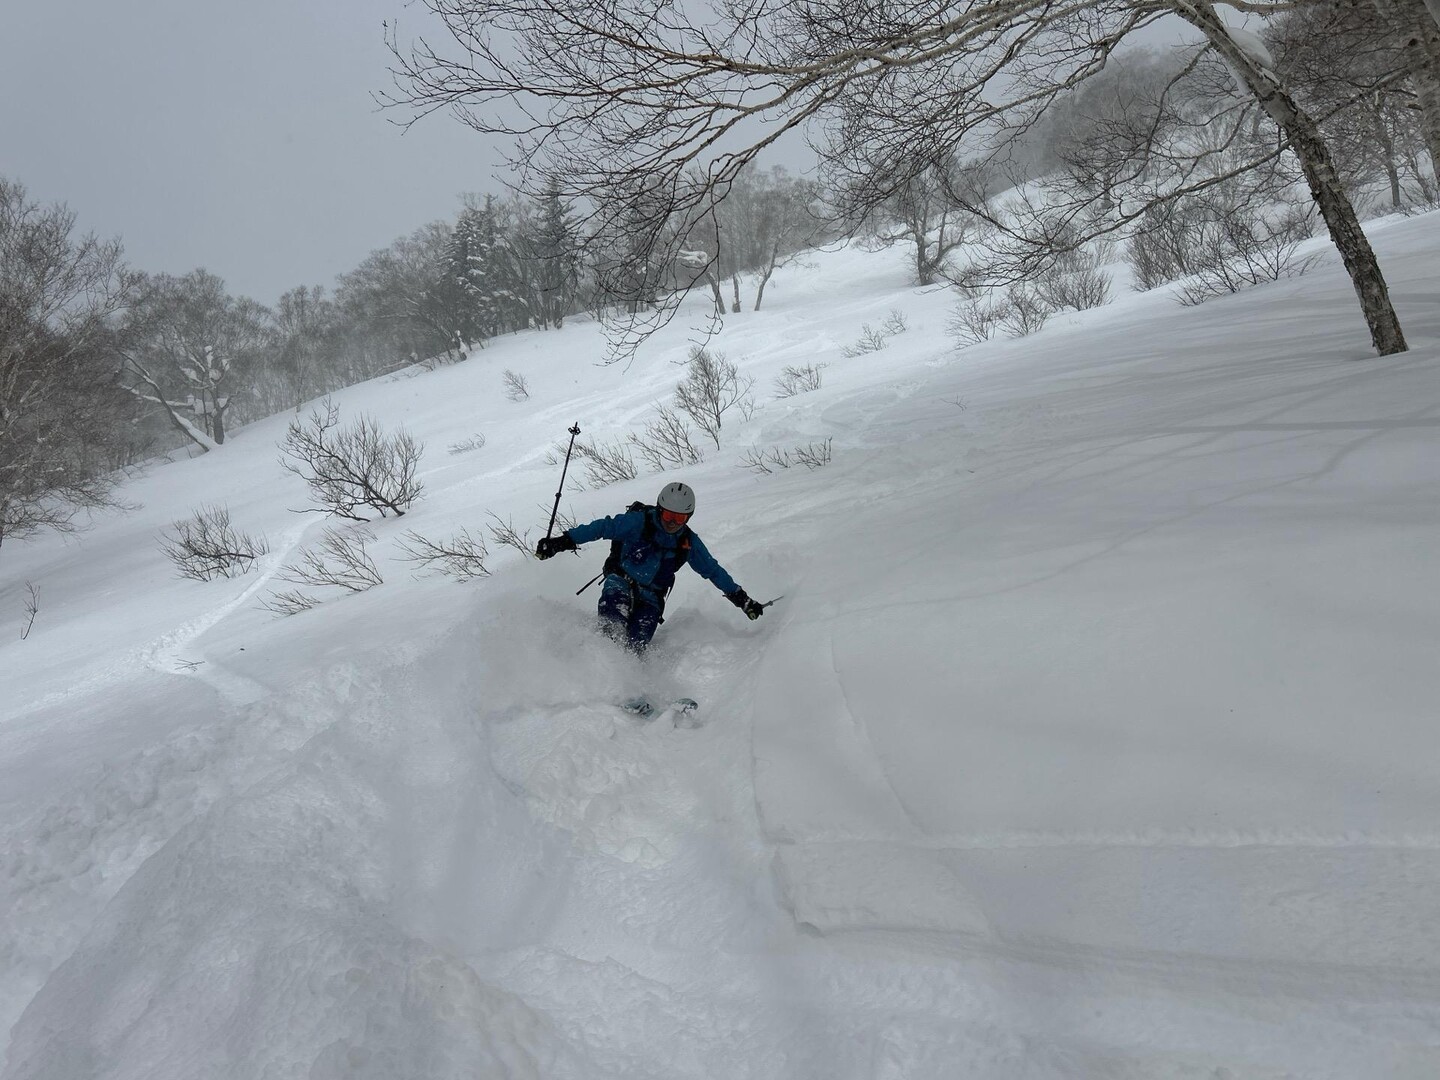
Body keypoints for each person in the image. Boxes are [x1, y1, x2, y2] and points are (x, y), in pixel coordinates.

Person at [534, 481, 764, 652]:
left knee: (636, 643)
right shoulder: (638, 522)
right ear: (659, 509)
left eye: (680, 518)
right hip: (621, 580)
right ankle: (598, 668)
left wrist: (741, 599)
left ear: (688, 518)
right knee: (613, 626)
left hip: (652, 596)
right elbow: (601, 528)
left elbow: (712, 571)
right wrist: (561, 542)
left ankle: (627, 684)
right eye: (668, 515)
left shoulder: (688, 542)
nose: (672, 522)